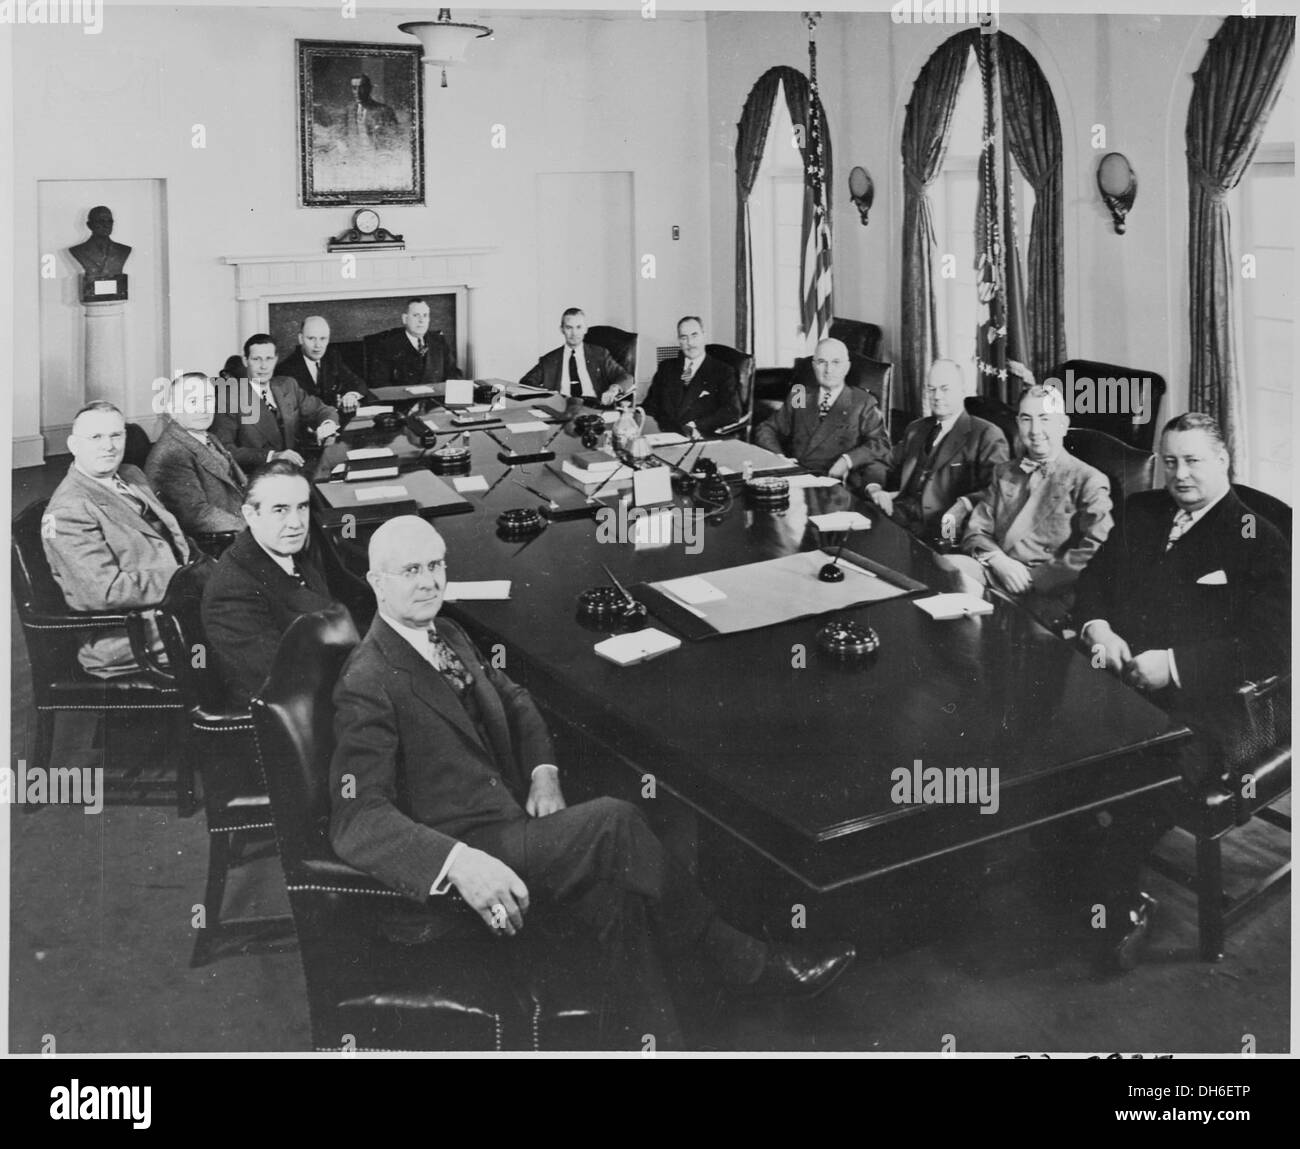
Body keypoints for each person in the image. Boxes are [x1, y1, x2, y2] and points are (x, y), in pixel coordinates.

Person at [328, 517, 857, 1047]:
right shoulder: (368, 680)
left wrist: (543, 772)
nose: (429, 581)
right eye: (411, 570)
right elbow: (356, 818)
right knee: (614, 821)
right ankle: (741, 960)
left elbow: (514, 699)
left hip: (516, 821)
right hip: (475, 851)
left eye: (437, 566)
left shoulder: (445, 631)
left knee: (619, 898)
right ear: (376, 581)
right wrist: (457, 862)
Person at [1054, 413, 1291, 972]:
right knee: (1056, 752)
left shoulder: (1258, 535)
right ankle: (1080, 879)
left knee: (1144, 780)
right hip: (1125, 681)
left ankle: (1120, 908)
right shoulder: (1143, 510)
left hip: (1227, 705)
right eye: (1171, 461)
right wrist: (1098, 628)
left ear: (1223, 460)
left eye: (1194, 461)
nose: (1180, 474)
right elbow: (1093, 584)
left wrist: (1177, 666)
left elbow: (1273, 647)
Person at [942, 382, 1112, 628]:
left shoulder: (1088, 480)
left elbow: (1097, 547)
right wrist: (999, 561)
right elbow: (975, 531)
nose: (1035, 430)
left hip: (1046, 590)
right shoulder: (1004, 472)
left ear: (1062, 425)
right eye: (1026, 419)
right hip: (994, 572)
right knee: (943, 569)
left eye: (1044, 419)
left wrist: (1034, 579)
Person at [42, 401, 190, 678]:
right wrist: (186, 580)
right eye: (96, 437)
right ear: (73, 445)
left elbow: (170, 537)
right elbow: (106, 592)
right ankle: (214, 712)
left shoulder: (130, 474)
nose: (108, 446)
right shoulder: (69, 510)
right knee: (235, 636)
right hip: (127, 634)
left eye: (115, 435)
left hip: (169, 609)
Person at [201, 461, 338, 707]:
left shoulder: (288, 550)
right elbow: (283, 681)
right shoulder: (233, 590)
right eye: (280, 510)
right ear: (250, 515)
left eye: (302, 507)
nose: (296, 523)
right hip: (295, 717)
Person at [857, 359, 1008, 541]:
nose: (936, 396)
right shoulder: (917, 428)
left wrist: (965, 504)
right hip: (899, 515)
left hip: (946, 527)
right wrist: (875, 490)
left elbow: (996, 490)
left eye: (944, 389)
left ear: (962, 390)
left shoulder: (986, 434)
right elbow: (883, 461)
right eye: (931, 389)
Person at [753, 337, 890, 479]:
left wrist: (847, 460)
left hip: (837, 481)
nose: (828, 370)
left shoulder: (863, 401)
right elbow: (767, 428)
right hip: (798, 476)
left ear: (847, 367)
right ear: (813, 366)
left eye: (836, 362)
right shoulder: (800, 394)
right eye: (821, 362)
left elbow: (880, 443)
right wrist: (778, 456)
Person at [211, 334, 340, 470]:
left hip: (298, 469)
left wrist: (327, 426)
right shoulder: (228, 398)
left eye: (269, 359)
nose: (263, 366)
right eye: (256, 359)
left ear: (276, 359)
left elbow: (322, 410)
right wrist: (272, 456)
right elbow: (224, 449)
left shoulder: (288, 385)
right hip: (262, 476)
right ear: (245, 360)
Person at [145, 373, 247, 537]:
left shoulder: (207, 436)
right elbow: (195, 515)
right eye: (193, 402)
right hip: (217, 542)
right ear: (173, 409)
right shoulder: (171, 454)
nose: (203, 408)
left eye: (208, 400)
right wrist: (254, 527)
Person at [642, 316, 742, 437]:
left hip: (699, 437)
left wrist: (697, 425)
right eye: (684, 337)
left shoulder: (723, 371)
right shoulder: (666, 367)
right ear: (679, 341)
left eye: (694, 335)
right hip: (665, 436)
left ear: (704, 335)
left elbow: (731, 411)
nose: (690, 343)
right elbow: (650, 405)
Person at [518, 308, 633, 406]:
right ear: (562, 329)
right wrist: (548, 397)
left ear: (585, 329)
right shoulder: (549, 360)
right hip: (561, 409)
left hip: (593, 409)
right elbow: (526, 382)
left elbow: (626, 377)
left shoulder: (600, 354)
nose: (574, 333)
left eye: (578, 327)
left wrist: (613, 390)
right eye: (569, 328)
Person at [277, 316, 369, 412]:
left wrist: (351, 395)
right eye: (311, 338)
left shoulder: (331, 357)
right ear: (301, 339)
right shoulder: (285, 370)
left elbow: (357, 382)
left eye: (323, 338)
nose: (318, 345)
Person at [365, 299, 459, 391]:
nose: (421, 320)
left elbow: (453, 372)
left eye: (425, 315)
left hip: (436, 402)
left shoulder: (438, 340)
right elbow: (379, 383)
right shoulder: (388, 345)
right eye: (416, 315)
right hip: (404, 403)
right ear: (405, 319)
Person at [69, 205, 131, 278]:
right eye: (101, 221)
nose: (106, 225)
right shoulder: (78, 250)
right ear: (89, 225)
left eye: (109, 221)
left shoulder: (123, 250)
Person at [343, 74, 399, 151]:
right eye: (354, 88)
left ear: (369, 88)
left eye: (362, 88)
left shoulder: (384, 110)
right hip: (355, 157)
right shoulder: (349, 110)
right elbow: (344, 134)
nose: (358, 92)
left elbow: (396, 137)